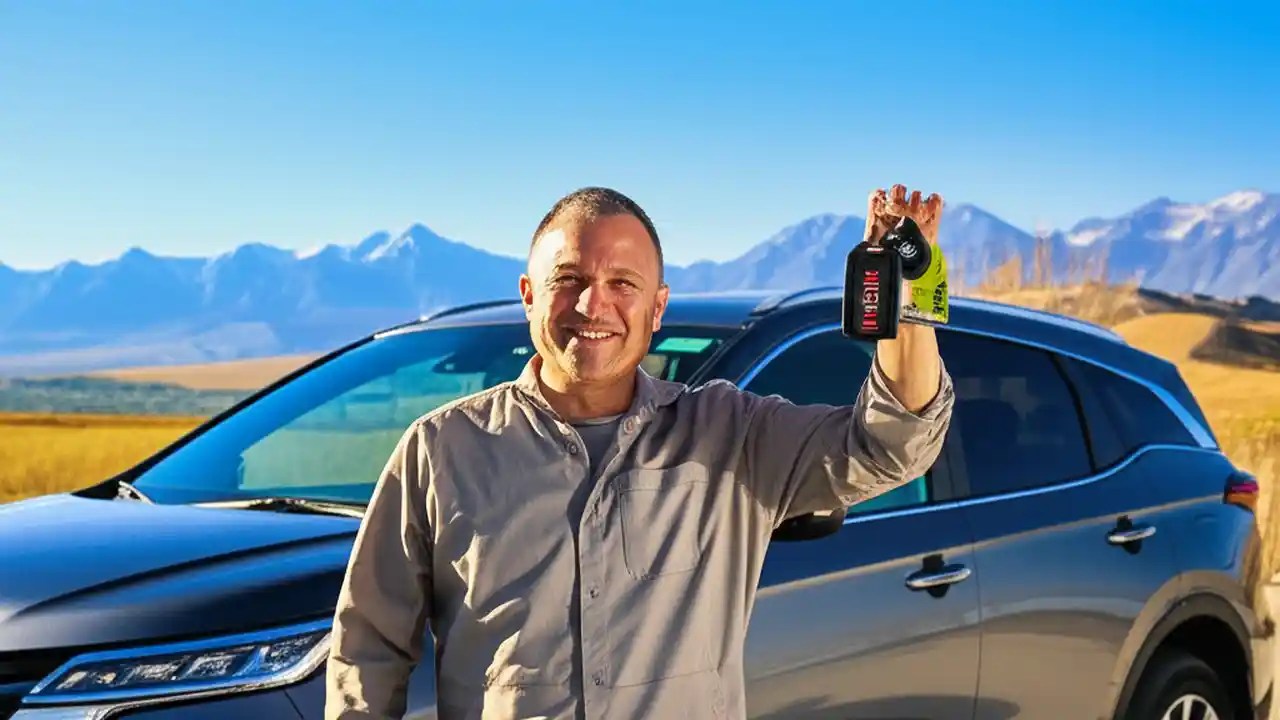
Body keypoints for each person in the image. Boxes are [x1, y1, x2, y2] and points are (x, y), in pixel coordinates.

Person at [325, 184, 956, 720]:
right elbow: (368, 649)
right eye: (567, 279)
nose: (591, 304)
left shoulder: (730, 435)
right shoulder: (441, 451)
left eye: (622, 283)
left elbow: (892, 444)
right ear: (528, 295)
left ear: (657, 309)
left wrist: (907, 299)